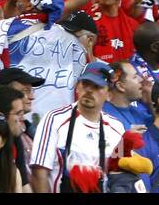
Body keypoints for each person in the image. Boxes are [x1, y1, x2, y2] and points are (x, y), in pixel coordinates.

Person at [29, 60, 125, 193]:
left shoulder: (117, 128)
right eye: (85, 84)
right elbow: (39, 171)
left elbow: (118, 175)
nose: (89, 90)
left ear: (109, 95)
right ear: (77, 87)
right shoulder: (55, 119)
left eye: (97, 86)